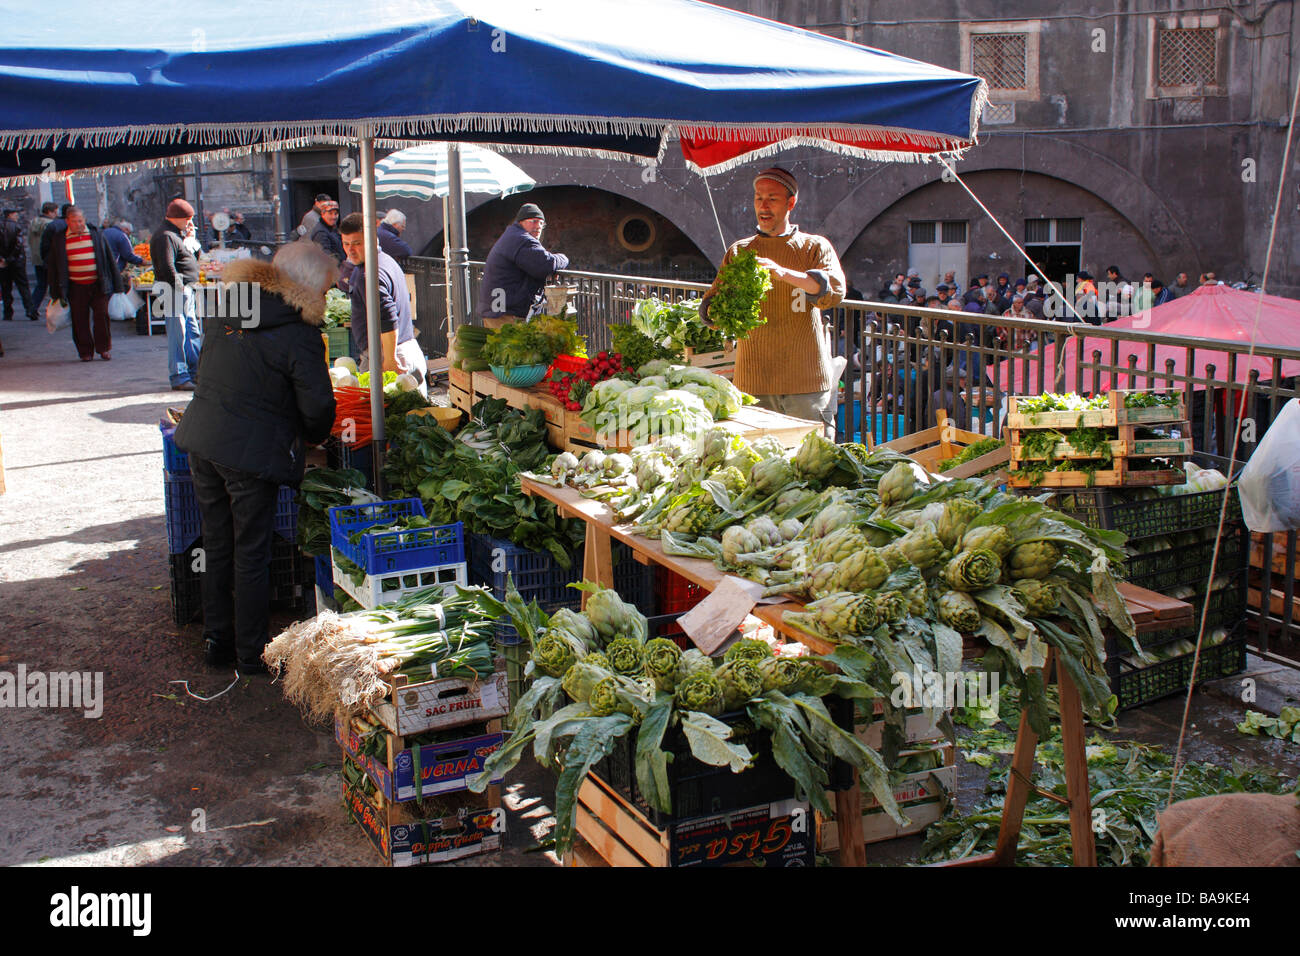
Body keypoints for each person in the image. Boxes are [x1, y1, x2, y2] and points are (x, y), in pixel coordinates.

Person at [173, 240, 337, 672]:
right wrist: (312, 437)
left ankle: (216, 642)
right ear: (305, 286)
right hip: (248, 453)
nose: (326, 297)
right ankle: (250, 654)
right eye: (324, 288)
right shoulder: (299, 333)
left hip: (203, 439)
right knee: (251, 552)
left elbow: (202, 371)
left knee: (216, 543)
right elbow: (318, 406)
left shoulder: (227, 309)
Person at [700, 167, 846, 438]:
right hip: (753, 381)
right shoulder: (740, 251)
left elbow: (833, 292)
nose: (763, 206)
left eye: (772, 199)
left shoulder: (814, 247)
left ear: (791, 203)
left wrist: (783, 273)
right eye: (758, 198)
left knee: (813, 459)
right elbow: (711, 304)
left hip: (806, 380)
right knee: (759, 465)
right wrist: (716, 312)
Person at [338, 212, 428, 396]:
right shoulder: (386, 261)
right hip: (404, 349)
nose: (350, 250)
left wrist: (390, 359)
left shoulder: (368, 274)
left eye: (356, 243)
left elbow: (387, 316)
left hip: (387, 357)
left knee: (384, 421)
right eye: (346, 244)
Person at [45, 206, 124, 361]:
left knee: (102, 317)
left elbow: (109, 260)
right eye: (74, 221)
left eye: (80, 221)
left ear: (85, 220)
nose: (78, 224)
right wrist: (55, 291)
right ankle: (85, 351)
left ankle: (104, 348)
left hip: (98, 284)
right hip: (75, 286)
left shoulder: (96, 235)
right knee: (79, 319)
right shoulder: (60, 239)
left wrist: (118, 285)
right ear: (67, 221)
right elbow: (53, 266)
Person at [477, 202, 570, 322]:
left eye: (541, 223)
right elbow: (545, 264)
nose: (538, 226)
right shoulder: (522, 240)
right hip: (505, 313)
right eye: (534, 221)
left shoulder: (513, 236)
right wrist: (563, 258)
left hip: (498, 307)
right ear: (521, 221)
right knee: (507, 340)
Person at [151, 198, 203, 390]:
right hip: (175, 290)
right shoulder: (165, 236)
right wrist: (179, 287)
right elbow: (166, 266)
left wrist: (191, 238)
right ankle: (179, 376)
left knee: (191, 332)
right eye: (189, 219)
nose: (190, 223)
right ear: (180, 218)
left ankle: (194, 372)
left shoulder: (177, 235)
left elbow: (192, 257)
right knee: (179, 333)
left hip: (184, 289)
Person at [0, 209, 39, 322]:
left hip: (3, 262)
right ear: (10, 215)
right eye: (15, 214)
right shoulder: (17, 227)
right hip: (17, 262)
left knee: (6, 287)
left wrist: (3, 259)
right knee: (23, 286)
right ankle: (30, 310)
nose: (17, 216)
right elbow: (18, 244)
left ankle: (7, 313)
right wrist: (11, 258)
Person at [28, 201, 57, 316]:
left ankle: (32, 307)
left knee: (41, 284)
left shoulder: (33, 222)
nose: (56, 214)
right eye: (55, 212)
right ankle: (54, 310)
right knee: (53, 284)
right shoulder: (50, 225)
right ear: (49, 212)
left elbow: (29, 240)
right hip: (47, 258)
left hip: (36, 258)